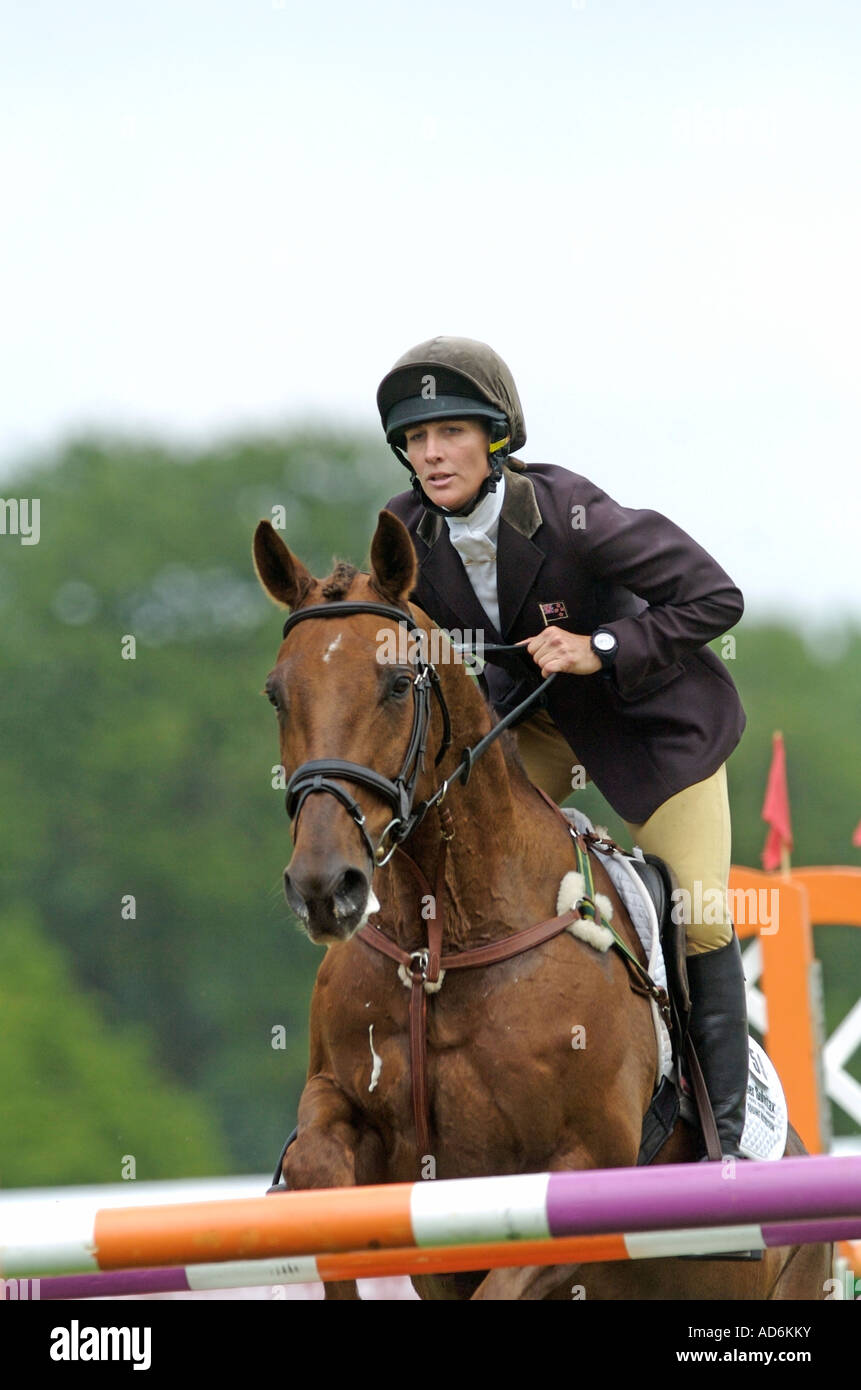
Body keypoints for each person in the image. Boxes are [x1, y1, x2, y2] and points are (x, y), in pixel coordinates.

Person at [376, 335, 750, 1161]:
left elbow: (714, 596)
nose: (431, 455)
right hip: (535, 723)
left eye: (451, 434)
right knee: (433, 847)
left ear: (495, 436)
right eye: (415, 440)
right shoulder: (404, 530)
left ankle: (727, 1141)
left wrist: (602, 647)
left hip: (650, 730)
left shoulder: (568, 511)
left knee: (697, 912)